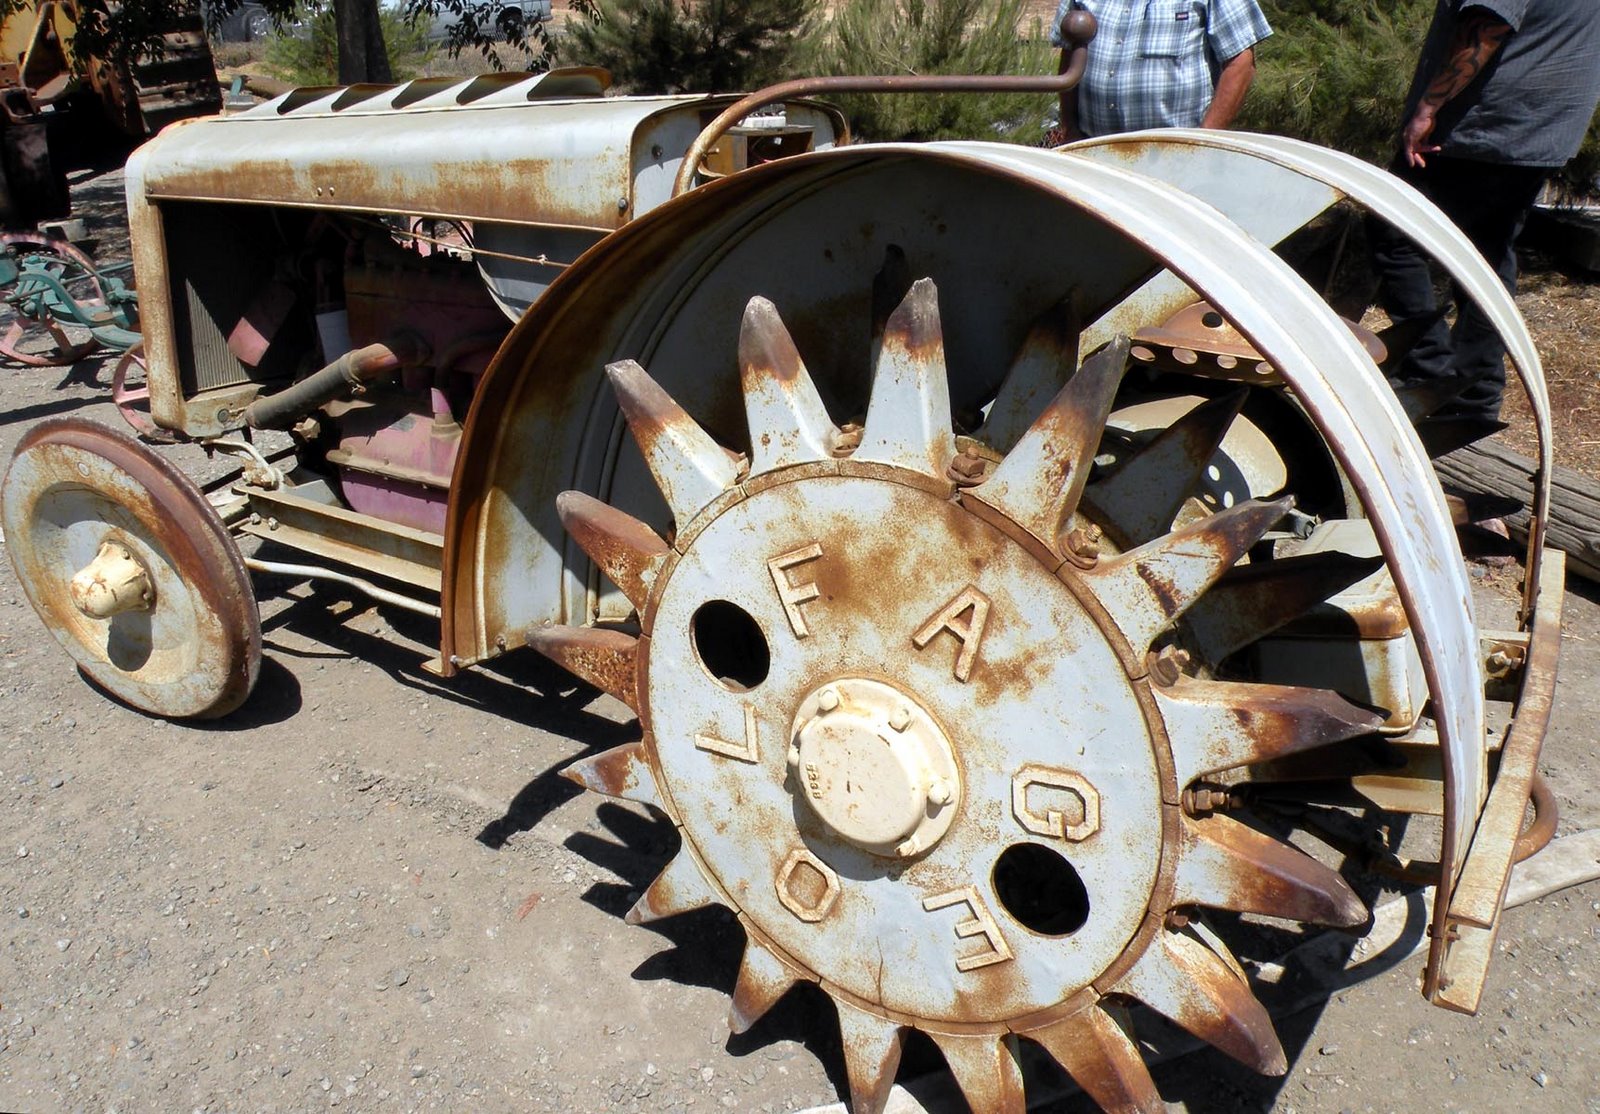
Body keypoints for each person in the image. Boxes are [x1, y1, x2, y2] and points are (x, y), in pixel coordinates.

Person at [1370, 1, 1600, 421]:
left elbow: (1488, 26)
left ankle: (1429, 373)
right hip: (1540, 127)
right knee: (1487, 255)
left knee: (1393, 230)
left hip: (1484, 122)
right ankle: (1472, 391)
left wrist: (1427, 108)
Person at [1046, 0, 1272, 143]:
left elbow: (1240, 64)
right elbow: (1070, 53)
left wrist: (1204, 141)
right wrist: (1069, 127)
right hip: (1093, 151)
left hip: (1177, 157)